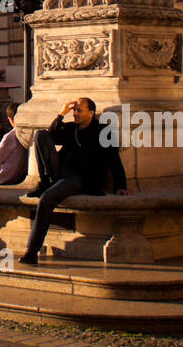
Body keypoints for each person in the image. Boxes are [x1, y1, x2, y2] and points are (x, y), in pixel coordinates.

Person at [20, 98, 128, 265]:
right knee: (40, 134)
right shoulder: (71, 128)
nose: (75, 113)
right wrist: (61, 114)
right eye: (74, 110)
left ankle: (32, 250)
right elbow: (51, 136)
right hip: (61, 172)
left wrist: (121, 185)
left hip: (81, 178)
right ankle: (45, 181)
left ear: (91, 113)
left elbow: (114, 159)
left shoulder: (103, 131)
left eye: (79, 110)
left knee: (46, 199)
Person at [0, 101, 30, 186]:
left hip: (3, 176)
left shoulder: (10, 136)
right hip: (19, 174)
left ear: (10, 119)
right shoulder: (27, 133)